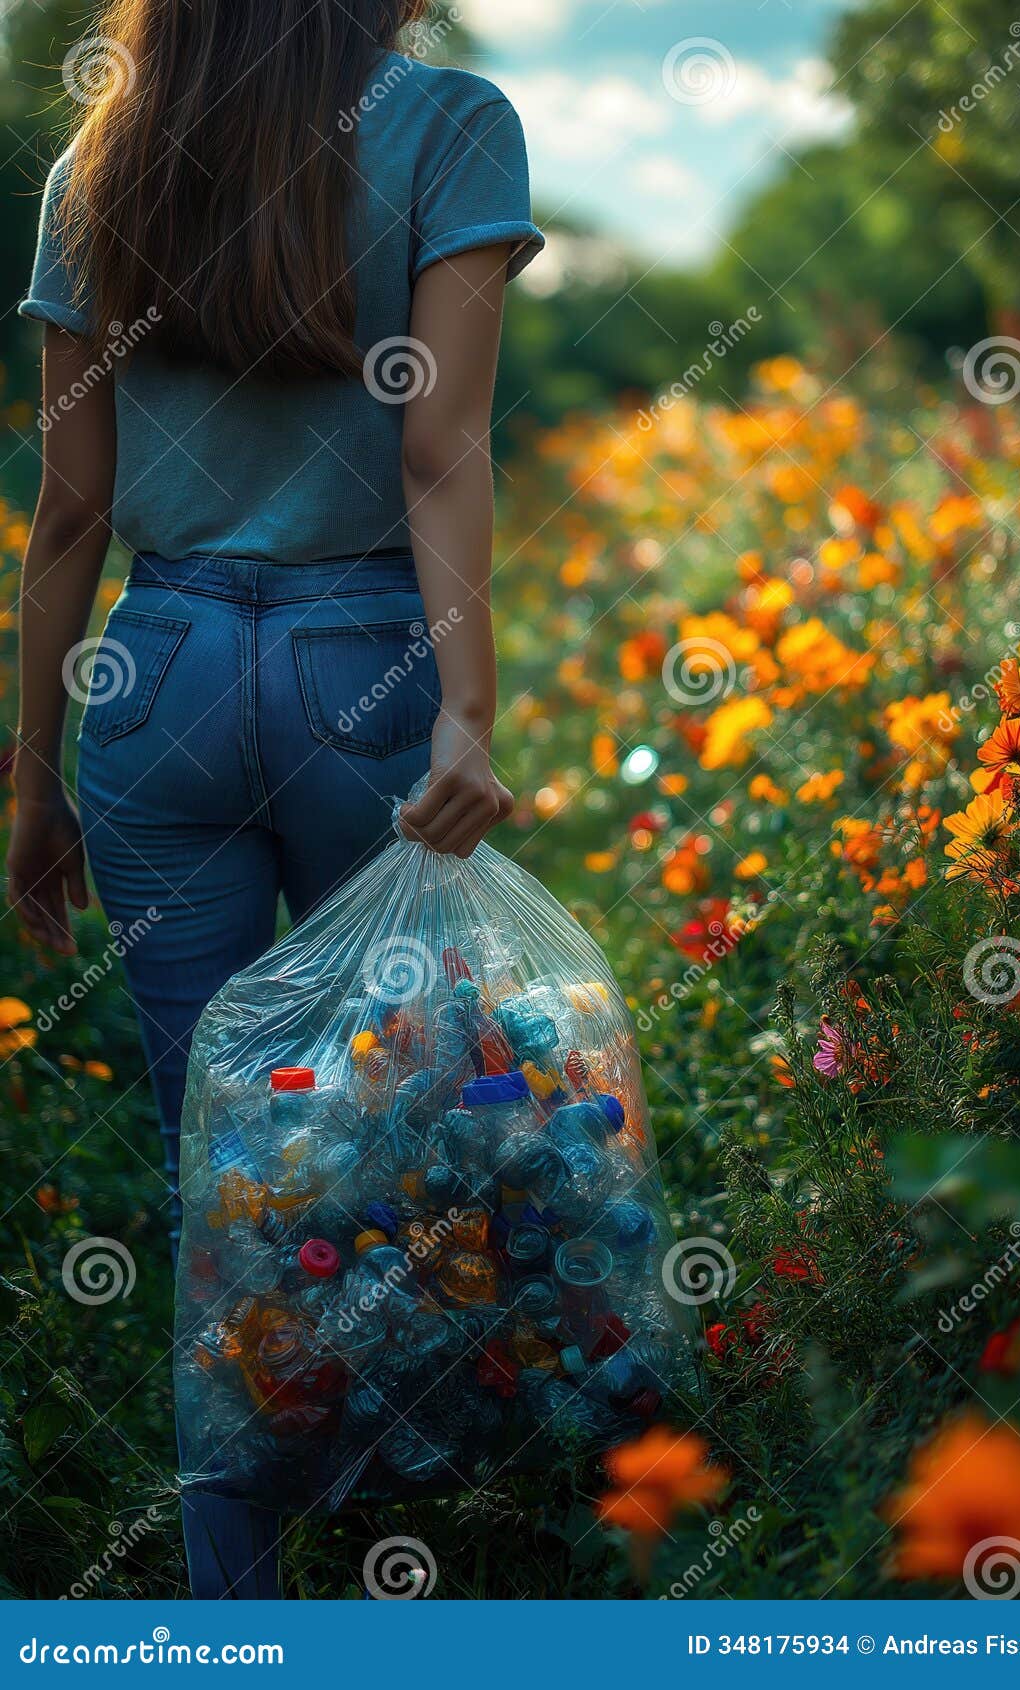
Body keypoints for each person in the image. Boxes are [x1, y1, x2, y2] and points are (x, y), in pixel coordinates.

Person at [8, 0, 542, 1598]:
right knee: (408, 1122)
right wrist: (466, 709)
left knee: (220, 1161)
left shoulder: (96, 164)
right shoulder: (454, 126)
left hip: (152, 675)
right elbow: (440, 443)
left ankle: (240, 1593)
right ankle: (426, 1540)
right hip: (364, 668)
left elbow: (68, 512)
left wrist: (33, 778)